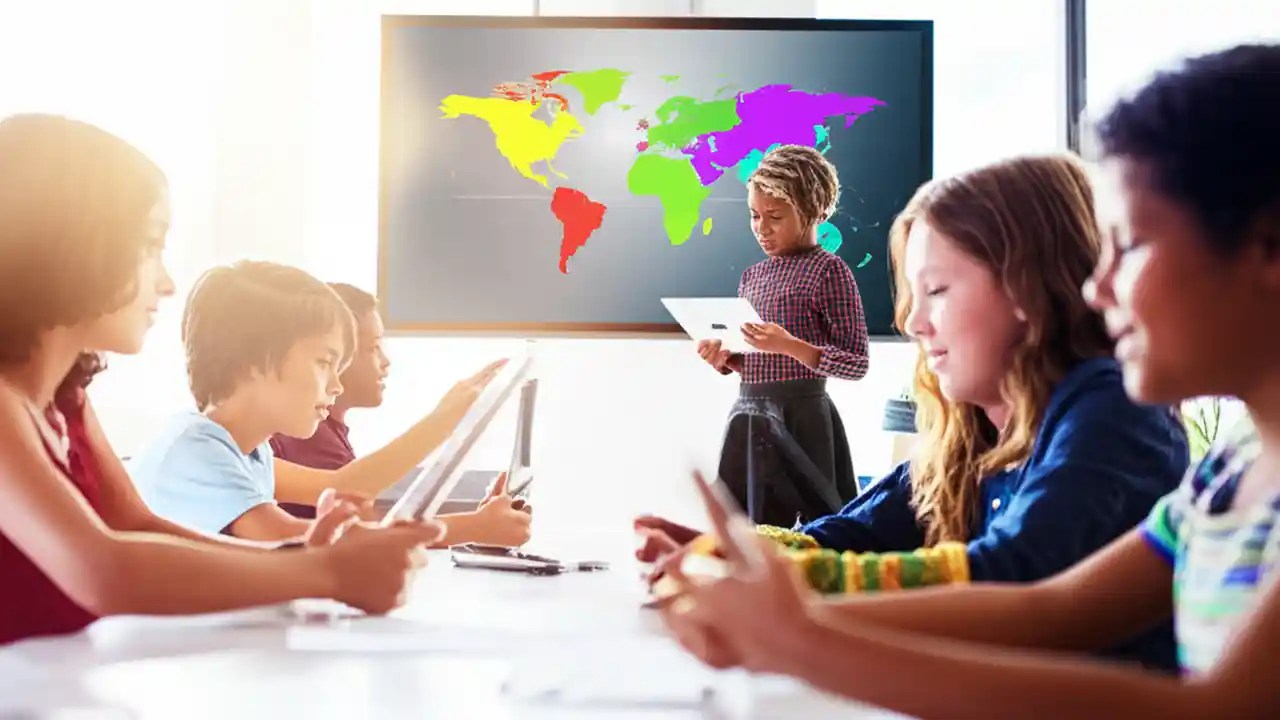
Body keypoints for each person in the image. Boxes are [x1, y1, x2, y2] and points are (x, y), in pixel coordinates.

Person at [660, 44, 1280, 717]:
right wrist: (757, 577)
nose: (1098, 289)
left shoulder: (1110, 412)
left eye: (1127, 247)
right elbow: (1053, 606)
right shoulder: (1227, 472)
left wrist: (798, 634)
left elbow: (1204, 700)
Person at [642, 153, 1190, 669]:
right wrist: (727, 550)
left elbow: (1015, 573)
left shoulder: (1114, 409)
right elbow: (855, 531)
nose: (912, 321)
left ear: (1031, 287)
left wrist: (784, 590)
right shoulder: (976, 433)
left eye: (937, 290)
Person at [0, 114, 438, 646]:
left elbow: (135, 524)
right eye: (149, 246)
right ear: (69, 245)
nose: (165, 282)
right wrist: (327, 573)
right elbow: (103, 569)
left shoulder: (65, 398)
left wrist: (302, 558)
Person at [130, 262, 530, 547]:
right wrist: (469, 527)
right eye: (324, 362)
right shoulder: (195, 448)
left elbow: (339, 487)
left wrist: (474, 521)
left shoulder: (251, 453)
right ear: (252, 361)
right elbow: (294, 541)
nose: (336, 385)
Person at [693, 144, 870, 527]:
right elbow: (759, 358)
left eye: (774, 216)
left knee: (815, 528)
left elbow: (856, 363)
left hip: (803, 419)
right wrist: (728, 360)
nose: (761, 227)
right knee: (741, 527)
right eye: (754, 215)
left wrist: (788, 344)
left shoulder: (830, 271)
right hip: (749, 415)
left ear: (814, 211)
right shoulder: (752, 277)